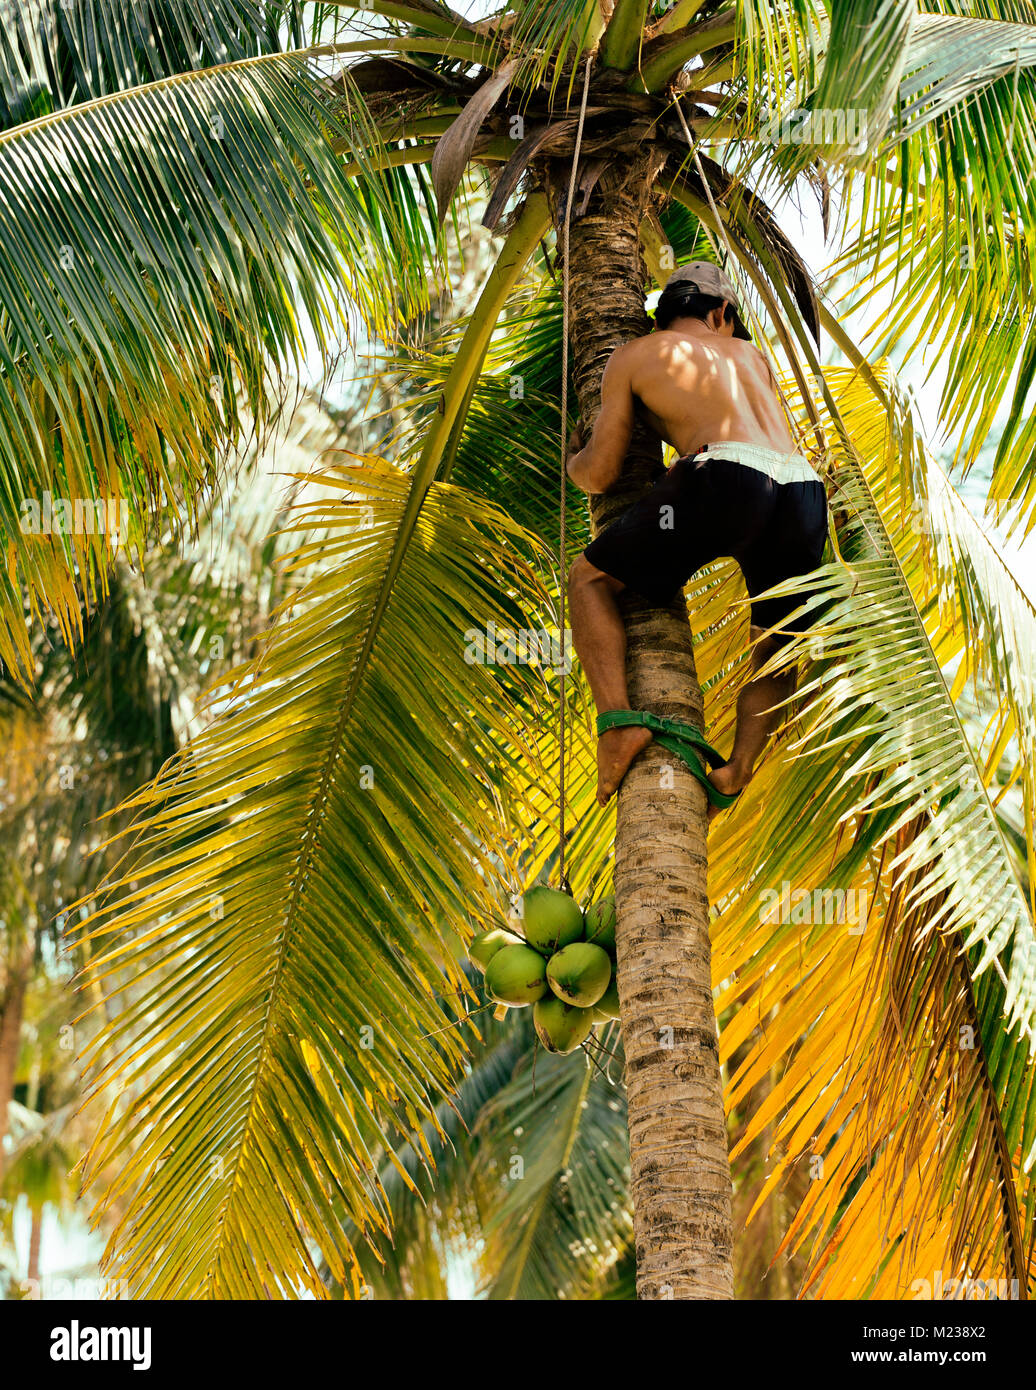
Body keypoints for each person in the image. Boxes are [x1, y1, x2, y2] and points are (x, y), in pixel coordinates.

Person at [566, 262, 828, 818]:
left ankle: (618, 721)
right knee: (778, 642)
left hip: (727, 478)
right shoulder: (753, 359)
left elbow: (602, 474)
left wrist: (573, 459)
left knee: (588, 580)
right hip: (802, 488)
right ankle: (735, 772)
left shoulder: (635, 355)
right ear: (721, 313)